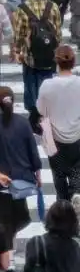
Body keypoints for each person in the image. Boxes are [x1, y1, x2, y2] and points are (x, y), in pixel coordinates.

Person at [0, 85, 42, 256]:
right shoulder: (23, 123)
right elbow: (32, 151)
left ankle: (5, 253)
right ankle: (9, 250)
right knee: (15, 218)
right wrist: (37, 175)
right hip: (20, 179)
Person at [36, 44, 80, 201]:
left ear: (56, 62)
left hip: (54, 138)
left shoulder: (47, 85)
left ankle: (63, 202)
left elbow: (40, 109)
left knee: (58, 174)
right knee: (77, 171)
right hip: (77, 136)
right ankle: (76, 193)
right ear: (73, 62)